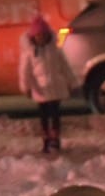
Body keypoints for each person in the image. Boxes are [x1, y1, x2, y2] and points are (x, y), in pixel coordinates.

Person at [19, 14, 79, 153]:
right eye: (38, 35)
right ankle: (46, 139)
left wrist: (72, 83)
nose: (41, 38)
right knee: (44, 116)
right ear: (33, 37)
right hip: (40, 90)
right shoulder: (29, 53)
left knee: (56, 115)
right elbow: (24, 72)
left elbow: (65, 67)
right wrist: (26, 87)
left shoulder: (55, 51)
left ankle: (55, 139)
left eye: (43, 35)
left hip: (55, 88)